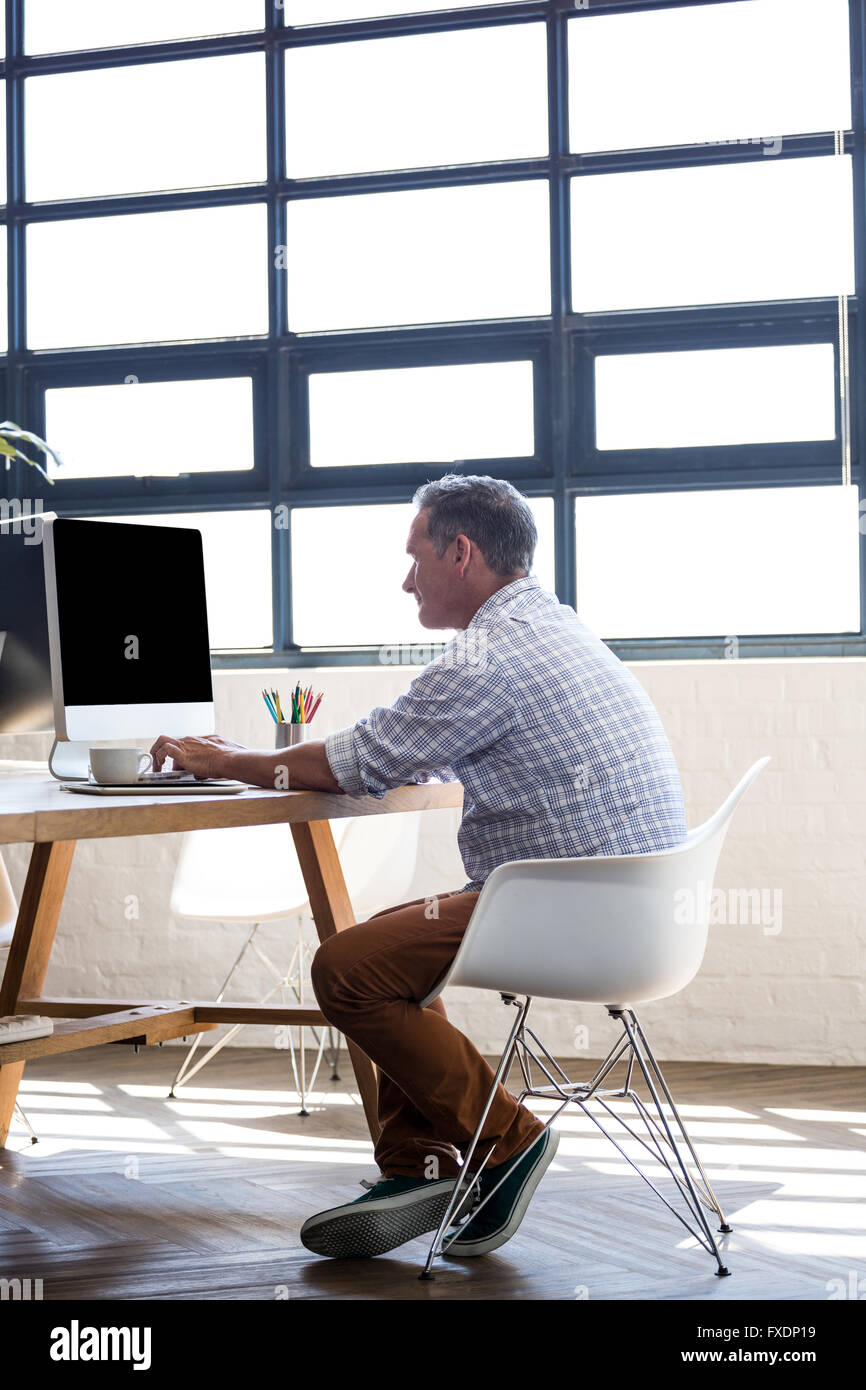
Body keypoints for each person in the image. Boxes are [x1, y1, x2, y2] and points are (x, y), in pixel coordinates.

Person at [150, 473, 687, 1262]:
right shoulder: (551, 627)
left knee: (347, 969)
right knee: (381, 957)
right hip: (632, 906)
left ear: (460, 552)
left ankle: (505, 1141)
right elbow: (419, 747)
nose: (406, 581)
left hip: (575, 906)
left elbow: (350, 760)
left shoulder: (488, 658)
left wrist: (226, 757)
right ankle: (424, 1166)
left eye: (415, 558)